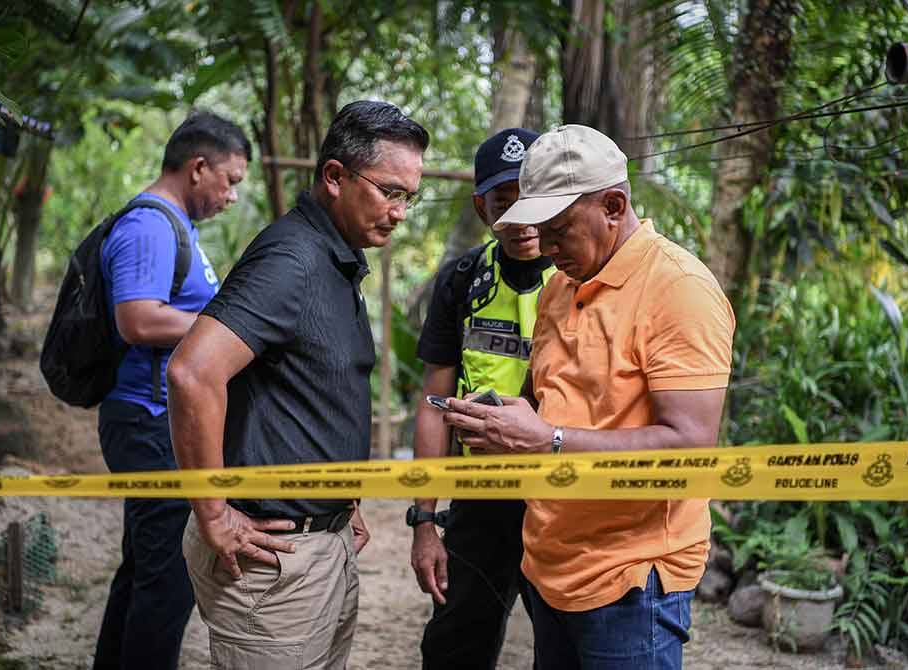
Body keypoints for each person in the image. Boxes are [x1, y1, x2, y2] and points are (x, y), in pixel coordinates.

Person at [442, 124, 736, 670]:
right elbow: (551, 398)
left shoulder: (679, 290)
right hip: (551, 564)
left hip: (631, 578)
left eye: (559, 231)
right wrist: (511, 420)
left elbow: (691, 447)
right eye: (539, 231)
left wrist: (548, 440)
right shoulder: (561, 286)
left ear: (614, 205)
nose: (546, 250)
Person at [167, 100, 429, 669]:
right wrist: (212, 513)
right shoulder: (293, 258)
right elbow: (192, 373)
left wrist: (343, 498)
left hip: (322, 543)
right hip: (274, 561)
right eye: (390, 191)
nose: (400, 211)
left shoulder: (336, 259)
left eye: (409, 195)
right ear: (335, 177)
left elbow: (310, 391)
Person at [93, 112, 250, 670]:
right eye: (229, 180)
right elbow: (136, 319)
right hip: (148, 419)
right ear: (198, 167)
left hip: (155, 418)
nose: (232, 195)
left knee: (144, 568)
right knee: (167, 582)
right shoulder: (151, 226)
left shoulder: (177, 227)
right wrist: (224, 330)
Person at [410, 128, 553, 670]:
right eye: (503, 201)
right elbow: (433, 405)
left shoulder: (581, 277)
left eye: (531, 196)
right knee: (455, 645)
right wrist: (425, 522)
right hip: (480, 497)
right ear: (481, 206)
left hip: (559, 498)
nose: (521, 217)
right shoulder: (464, 280)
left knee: (566, 646)